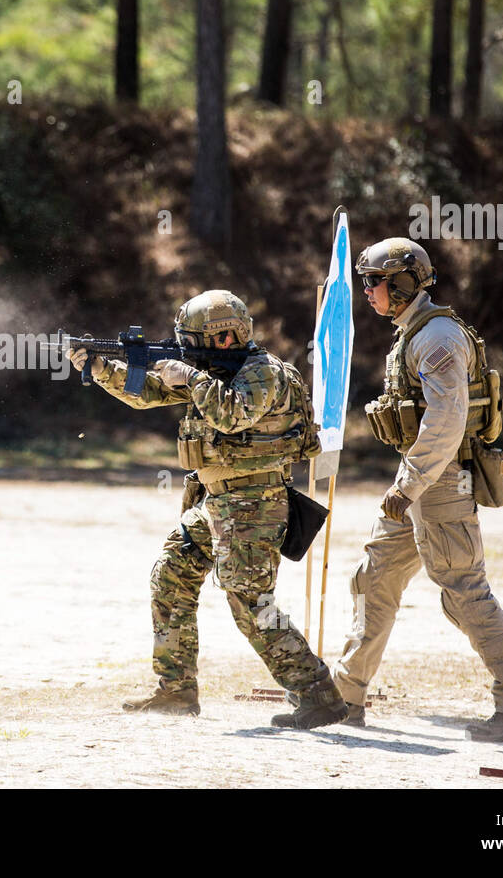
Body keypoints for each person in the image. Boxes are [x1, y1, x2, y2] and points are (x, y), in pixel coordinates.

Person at [68, 290, 347, 729]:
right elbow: (147, 393)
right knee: (172, 572)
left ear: (222, 338)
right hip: (218, 501)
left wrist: (190, 378)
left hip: (256, 504)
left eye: (193, 340)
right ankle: (176, 690)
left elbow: (232, 415)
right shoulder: (210, 372)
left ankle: (318, 695)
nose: (187, 350)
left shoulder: (263, 373)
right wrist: (100, 366)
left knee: (249, 601)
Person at [334, 238, 503, 741]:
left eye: (375, 281)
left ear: (404, 283)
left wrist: (408, 486)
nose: (367, 291)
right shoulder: (416, 332)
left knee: (464, 593)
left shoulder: (435, 338)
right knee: (375, 580)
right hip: (420, 481)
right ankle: (346, 693)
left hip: (437, 483)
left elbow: (446, 421)